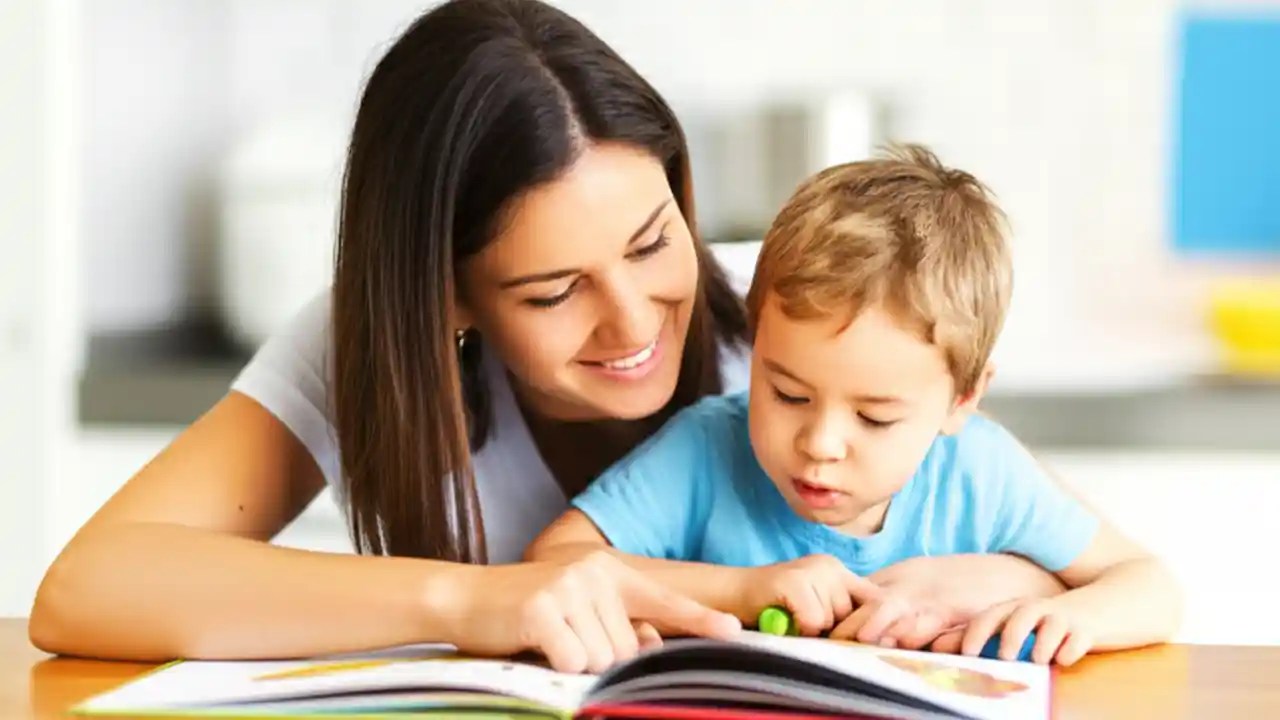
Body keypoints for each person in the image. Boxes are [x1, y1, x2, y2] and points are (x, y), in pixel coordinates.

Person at [31, 0, 1066, 675]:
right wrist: (478, 599)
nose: (632, 322)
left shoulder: (800, 322)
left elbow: (1040, 537)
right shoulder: (362, 346)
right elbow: (87, 591)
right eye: (552, 290)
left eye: (652, 240)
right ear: (448, 298)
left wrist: (1013, 580)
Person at [528, 146, 1182, 665]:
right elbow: (552, 566)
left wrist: (1074, 617)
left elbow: (1149, 585)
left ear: (962, 399)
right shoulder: (705, 449)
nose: (820, 442)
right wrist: (744, 590)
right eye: (786, 392)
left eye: (874, 417)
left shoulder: (980, 471)